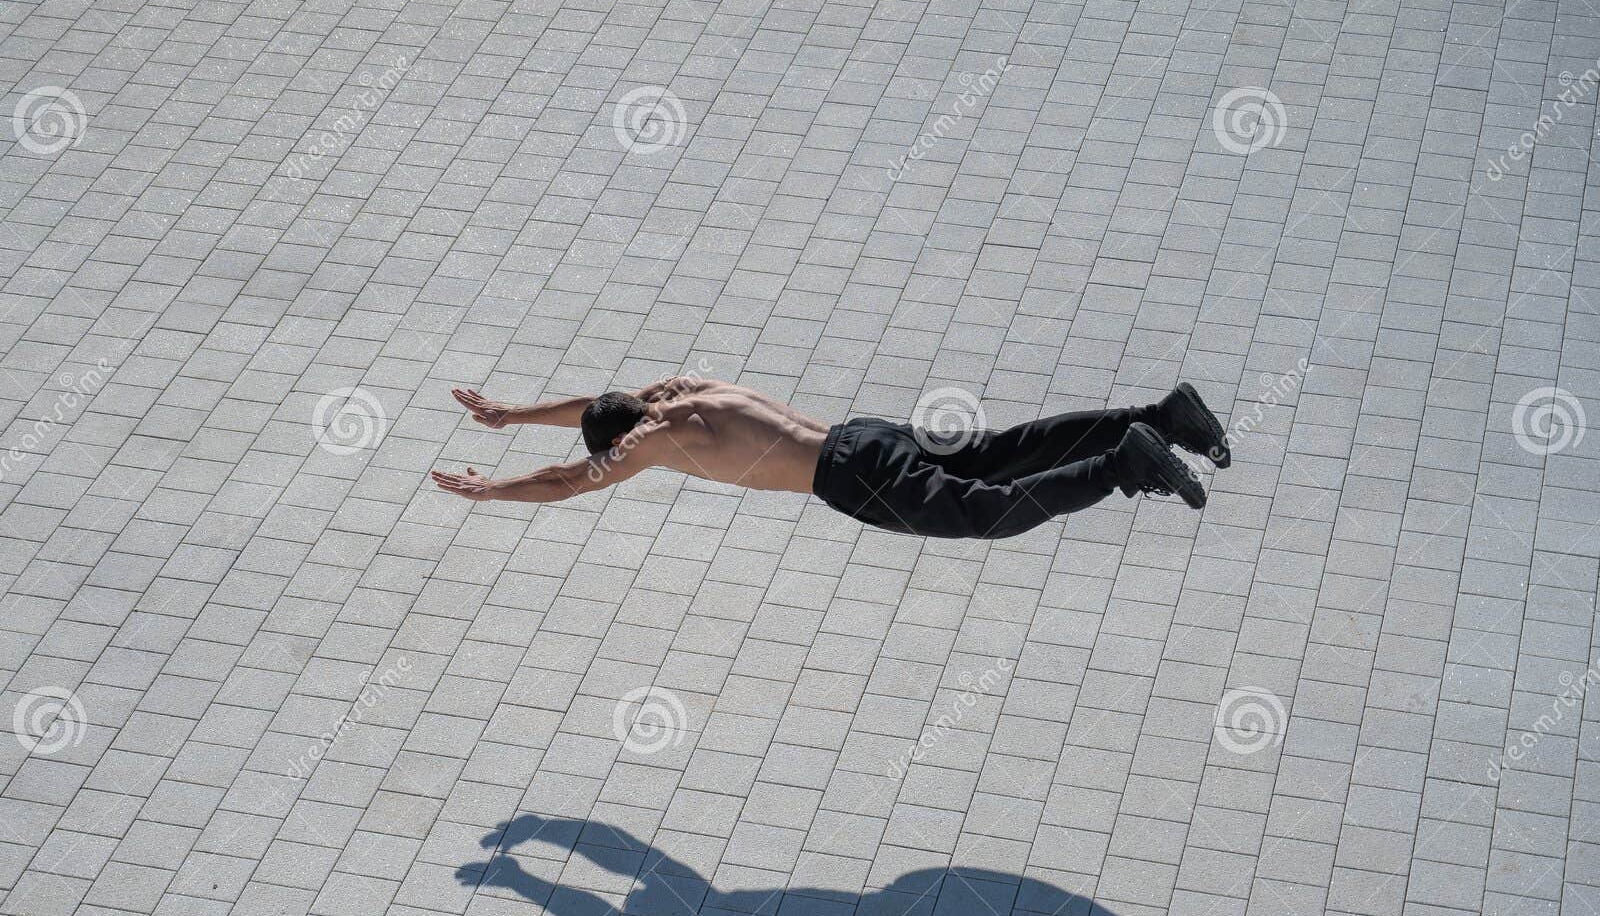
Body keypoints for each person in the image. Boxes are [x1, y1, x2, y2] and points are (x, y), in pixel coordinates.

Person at [432, 375, 1231, 540]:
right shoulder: (675, 392)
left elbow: (568, 479)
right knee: (999, 453)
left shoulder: (649, 440)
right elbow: (594, 403)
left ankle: (1125, 463)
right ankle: (1158, 418)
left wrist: (492, 489)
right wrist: (512, 414)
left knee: (985, 514)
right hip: (865, 435)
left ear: (623, 440)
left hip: (853, 477)